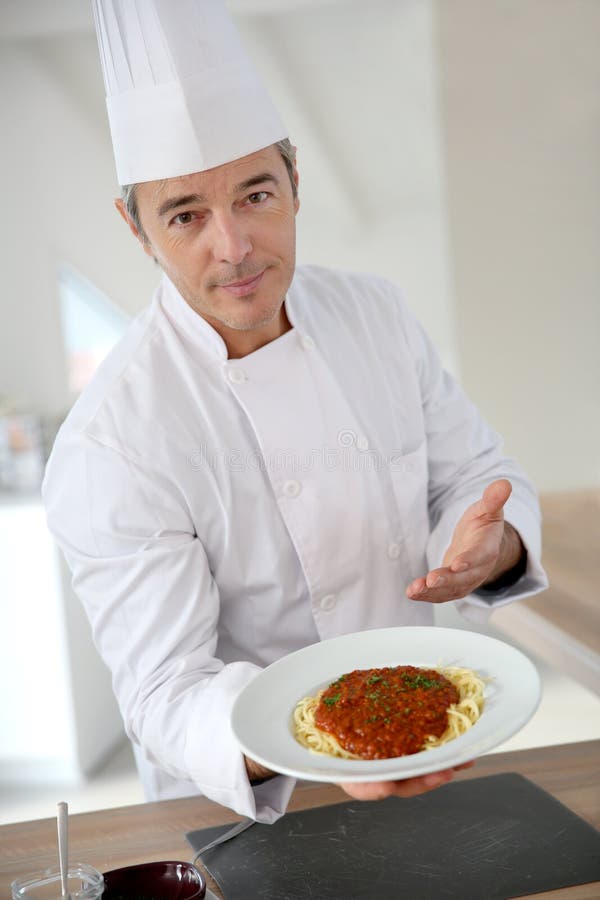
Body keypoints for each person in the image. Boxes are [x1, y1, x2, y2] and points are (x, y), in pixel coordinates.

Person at [43, 0, 547, 823]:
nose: (235, 246)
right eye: (186, 215)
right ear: (136, 230)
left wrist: (491, 546)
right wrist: (321, 743)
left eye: (255, 195)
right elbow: (166, 691)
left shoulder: (375, 313)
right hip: (241, 806)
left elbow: (477, 475)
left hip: (425, 746)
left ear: (296, 182)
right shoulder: (113, 443)